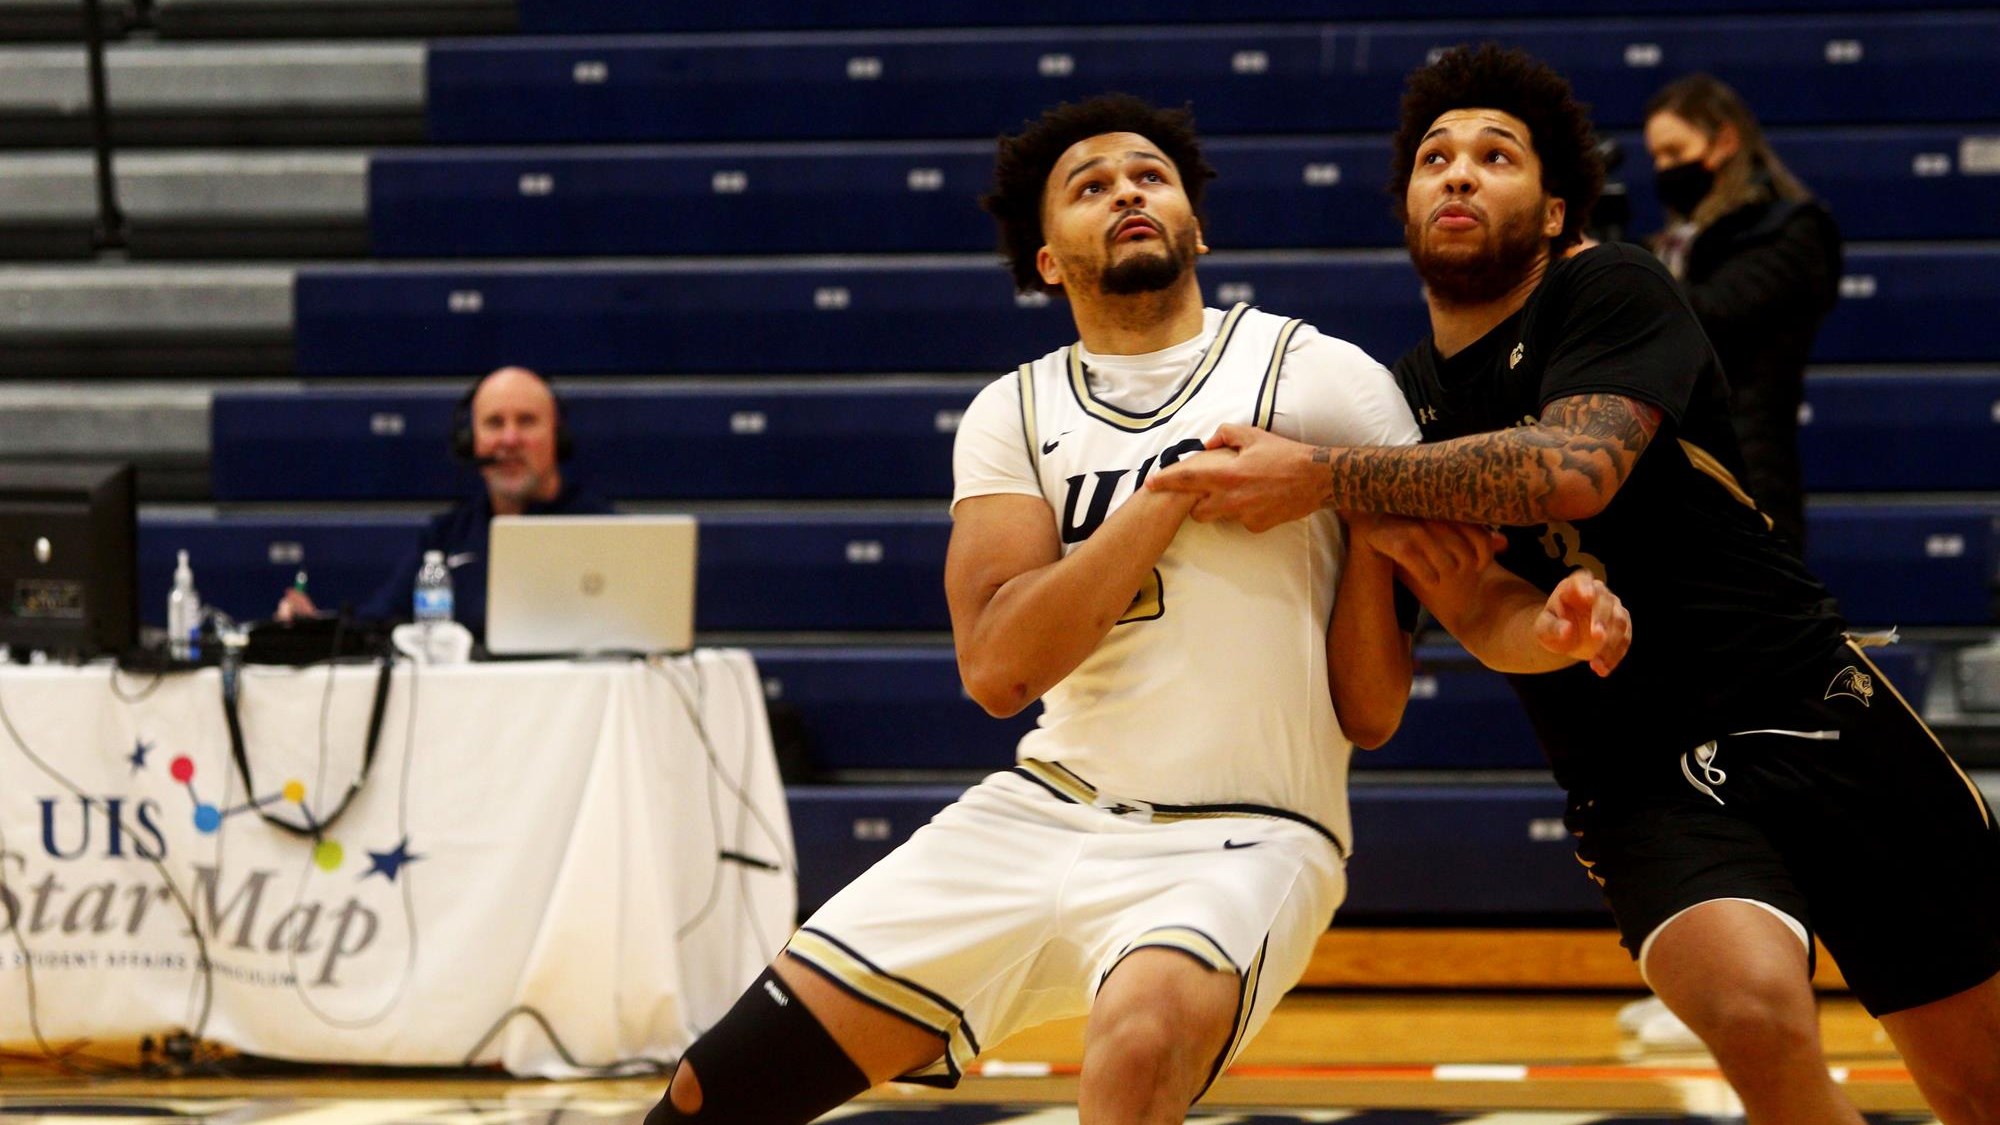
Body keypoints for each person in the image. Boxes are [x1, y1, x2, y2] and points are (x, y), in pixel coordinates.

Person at [642, 93, 1629, 1125]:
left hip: (1248, 832)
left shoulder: (1319, 378)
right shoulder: (1009, 414)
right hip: (1044, 810)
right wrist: (1163, 497)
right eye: (1090, 186)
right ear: (1046, 261)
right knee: (711, 1091)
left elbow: (1400, 677)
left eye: (1149, 177)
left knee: (1140, 1042)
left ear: (1196, 228)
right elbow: (996, 671)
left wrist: (1547, 629)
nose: (1126, 192)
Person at [1150, 44, 2000, 1125]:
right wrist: (1547, 629)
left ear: (1552, 212)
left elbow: (1574, 469)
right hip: (1636, 774)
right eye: (1433, 157)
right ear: (1406, 203)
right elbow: (1459, 633)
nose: (1457, 172)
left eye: (1493, 156)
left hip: (1807, 707)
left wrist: (1317, 477)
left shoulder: (1612, 284)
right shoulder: (1394, 403)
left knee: (1978, 1086)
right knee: (1750, 1011)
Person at [1644, 73, 1841, 549]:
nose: (1664, 169)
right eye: (1656, 158)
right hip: (1663, 474)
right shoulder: (1669, 246)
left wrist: (1622, 275)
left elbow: (1714, 317)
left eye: (1674, 152)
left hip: (1748, 474)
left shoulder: (1790, 231)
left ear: (1725, 141)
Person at [274, 365, 611, 639]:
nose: (509, 440)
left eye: (526, 421)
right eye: (494, 423)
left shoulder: (606, 533)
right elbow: (376, 628)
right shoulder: (446, 538)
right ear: (470, 442)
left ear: (558, 436)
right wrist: (314, 629)